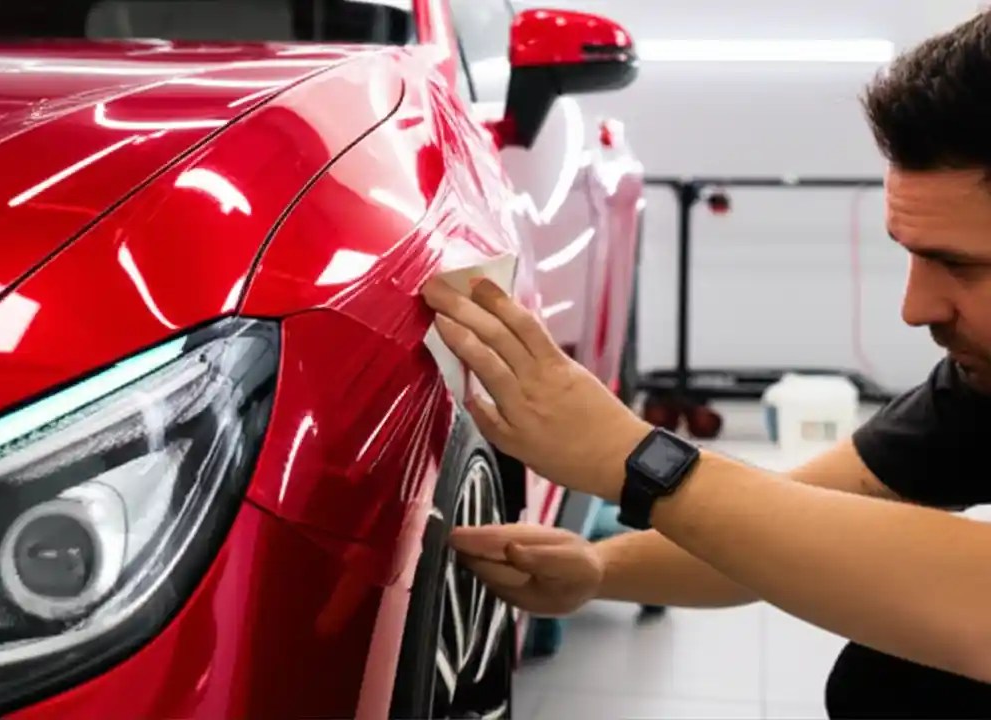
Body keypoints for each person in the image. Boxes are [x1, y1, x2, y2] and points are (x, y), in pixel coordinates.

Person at [420, 10, 991, 720]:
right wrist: (597, 568)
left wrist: (636, 458)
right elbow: (800, 521)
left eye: (961, 266)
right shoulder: (980, 386)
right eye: (912, 255)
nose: (916, 307)